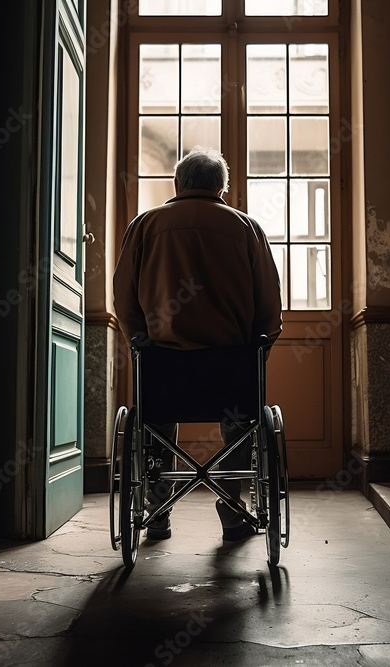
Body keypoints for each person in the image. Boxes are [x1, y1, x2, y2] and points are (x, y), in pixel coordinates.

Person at [112, 148, 283, 541]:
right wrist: (257, 351)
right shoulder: (247, 228)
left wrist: (141, 344)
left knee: (154, 421)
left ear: (178, 184)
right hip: (231, 365)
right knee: (241, 422)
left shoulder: (145, 225)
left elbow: (124, 299)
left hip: (163, 364)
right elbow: (270, 306)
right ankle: (232, 509)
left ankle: (157, 511)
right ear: (222, 186)